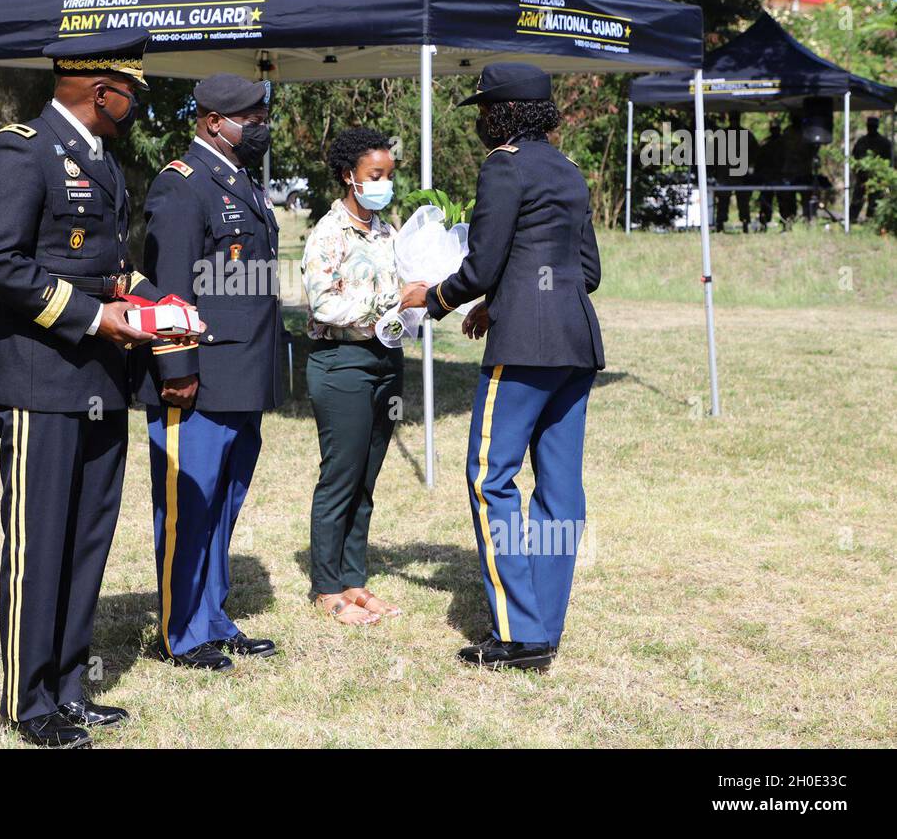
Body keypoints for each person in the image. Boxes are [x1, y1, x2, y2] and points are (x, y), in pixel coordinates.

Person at [0, 28, 167, 748]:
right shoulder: (21, 147)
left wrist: (157, 306)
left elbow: (110, 266)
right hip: (38, 377)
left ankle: (71, 687)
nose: (136, 107)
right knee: (39, 541)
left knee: (86, 538)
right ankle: (28, 701)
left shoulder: (103, 159)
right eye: (132, 95)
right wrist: (92, 316)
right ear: (100, 90)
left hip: (103, 380)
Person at [402, 63, 603, 672]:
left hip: (525, 349)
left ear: (509, 113)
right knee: (560, 490)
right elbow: (587, 273)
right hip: (576, 344)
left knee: (491, 478)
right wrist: (502, 299)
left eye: (487, 110)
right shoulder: (568, 170)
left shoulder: (505, 165)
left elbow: (484, 262)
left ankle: (518, 634)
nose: (483, 120)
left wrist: (434, 299)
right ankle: (545, 622)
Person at [136, 73, 284, 672]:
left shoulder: (240, 180)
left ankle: (213, 617)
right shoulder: (183, 186)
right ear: (211, 122)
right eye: (248, 119)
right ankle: (182, 632)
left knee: (224, 501)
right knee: (187, 506)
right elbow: (170, 285)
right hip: (195, 378)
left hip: (241, 372)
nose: (259, 128)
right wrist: (175, 367)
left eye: (260, 117)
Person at [300, 127, 403, 627]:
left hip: (385, 361)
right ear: (350, 177)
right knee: (340, 477)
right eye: (375, 175)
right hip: (341, 364)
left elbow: (409, 287)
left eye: (388, 175)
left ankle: (354, 579)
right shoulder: (328, 234)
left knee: (366, 478)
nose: (384, 184)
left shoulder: (388, 231)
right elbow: (324, 303)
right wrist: (387, 304)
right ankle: (326, 587)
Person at [713, 111, 755, 233]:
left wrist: (749, 168)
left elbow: (755, 152)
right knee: (723, 201)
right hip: (724, 174)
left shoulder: (746, 134)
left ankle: (745, 224)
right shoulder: (721, 134)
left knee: (743, 201)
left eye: (736, 119)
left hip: (740, 175)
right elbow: (714, 154)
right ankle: (720, 225)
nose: (734, 122)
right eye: (733, 119)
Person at [850, 116, 893, 222]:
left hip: (877, 179)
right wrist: (856, 172)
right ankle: (851, 219)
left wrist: (883, 176)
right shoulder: (861, 141)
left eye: (873, 126)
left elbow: (890, 161)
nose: (871, 128)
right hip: (862, 178)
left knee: (874, 202)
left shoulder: (884, 143)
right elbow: (854, 157)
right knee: (857, 199)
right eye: (870, 126)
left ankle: (871, 221)